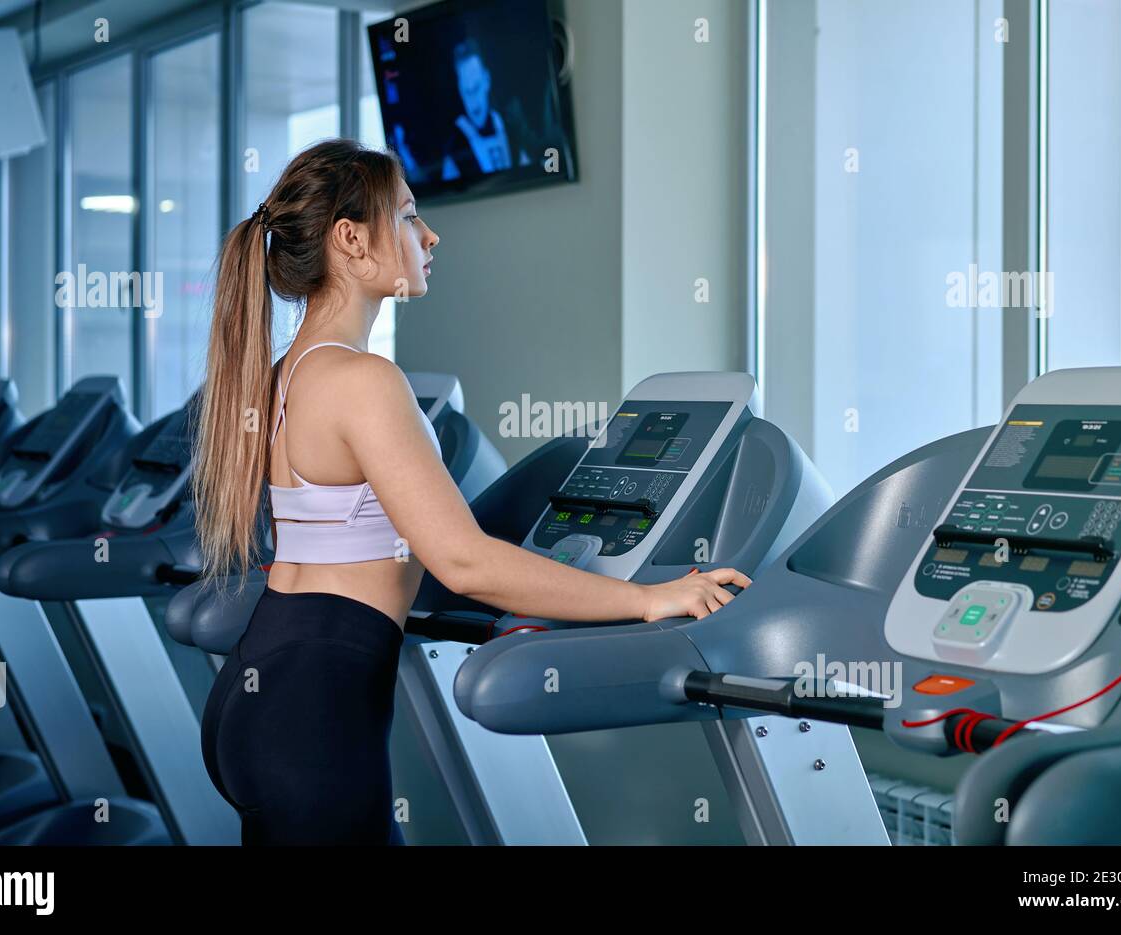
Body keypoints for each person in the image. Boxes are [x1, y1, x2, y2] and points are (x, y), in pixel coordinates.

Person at [193, 139, 750, 845]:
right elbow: (466, 562)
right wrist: (648, 598)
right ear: (351, 241)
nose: (430, 235)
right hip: (316, 715)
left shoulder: (284, 375)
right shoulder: (365, 382)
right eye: (408, 215)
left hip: (260, 686)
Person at [441, 38, 533, 181]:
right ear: (460, 90)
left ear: (486, 80)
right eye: (467, 91)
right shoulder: (453, 151)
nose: (473, 99)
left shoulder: (511, 128)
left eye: (476, 87)